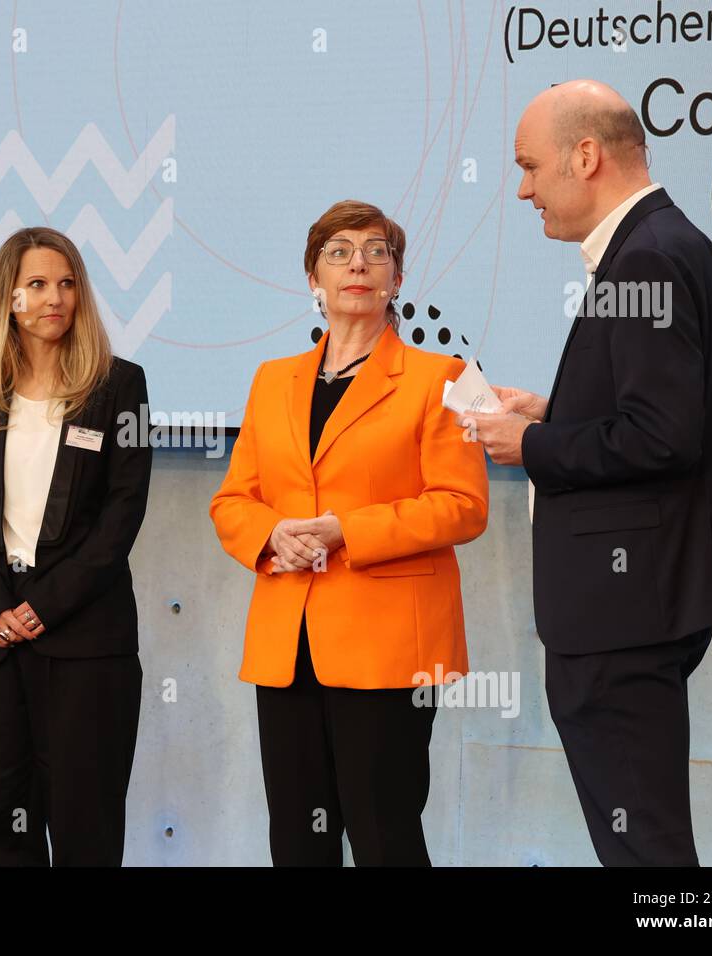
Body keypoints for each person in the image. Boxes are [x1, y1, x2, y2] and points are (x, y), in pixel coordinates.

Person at [464, 80, 712, 865]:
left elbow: (661, 437)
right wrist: (550, 415)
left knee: (647, 851)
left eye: (530, 166)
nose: (523, 188)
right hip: (636, 600)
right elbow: (656, 411)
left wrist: (527, 446)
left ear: (585, 155)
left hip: (622, 607)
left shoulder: (649, 259)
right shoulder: (662, 244)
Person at [209, 200, 488, 866]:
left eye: (375, 250)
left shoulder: (447, 377)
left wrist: (345, 531)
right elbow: (232, 501)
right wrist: (273, 534)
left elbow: (463, 505)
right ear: (313, 279)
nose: (357, 263)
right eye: (337, 251)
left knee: (383, 834)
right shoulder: (271, 380)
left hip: (388, 647)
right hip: (288, 643)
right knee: (298, 839)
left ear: (396, 278)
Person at [0, 227, 152, 866]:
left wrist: (45, 607)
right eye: (36, 284)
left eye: (66, 283)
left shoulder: (122, 386)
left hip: (86, 639)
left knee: (85, 821)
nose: (54, 297)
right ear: (9, 298)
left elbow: (123, 513)